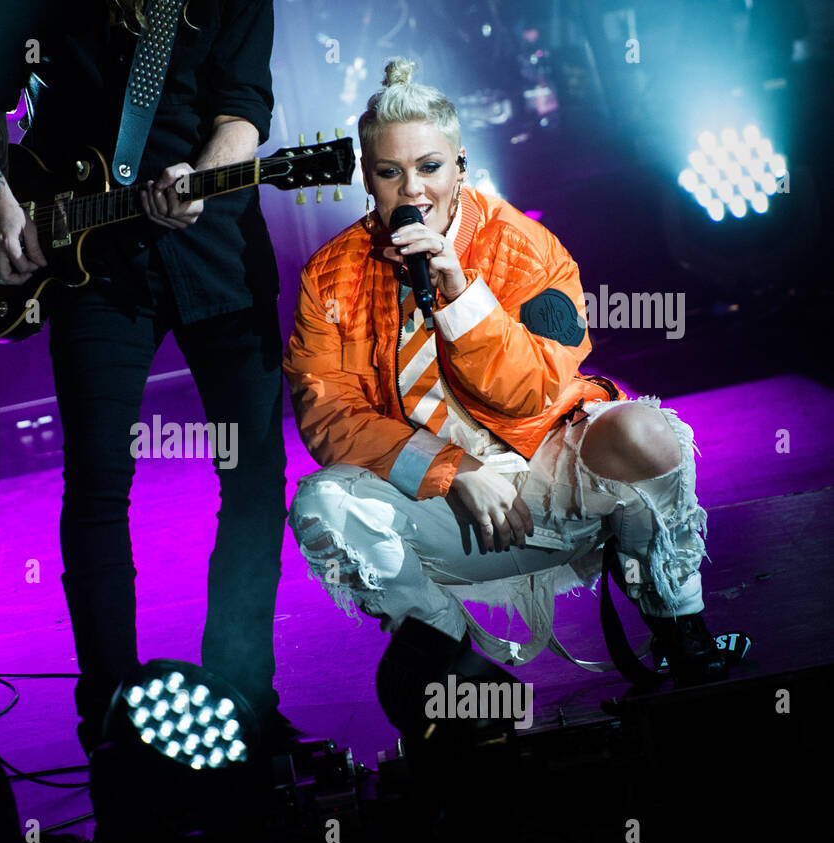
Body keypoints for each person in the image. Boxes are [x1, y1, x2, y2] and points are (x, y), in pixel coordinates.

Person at [283, 57, 729, 707]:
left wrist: (461, 295)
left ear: (460, 166)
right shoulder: (331, 275)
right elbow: (329, 415)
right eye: (389, 172)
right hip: (448, 511)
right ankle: (449, 663)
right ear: (367, 178)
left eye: (431, 167)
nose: (413, 191)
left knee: (645, 430)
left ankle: (679, 620)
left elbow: (535, 391)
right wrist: (451, 469)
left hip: (551, 486)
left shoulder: (528, 249)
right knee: (322, 505)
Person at [0, 0, 291, 755]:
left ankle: (242, 702)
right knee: (99, 487)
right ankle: (113, 720)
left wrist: (200, 180)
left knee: (256, 474)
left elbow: (242, 114)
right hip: (88, 260)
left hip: (214, 250)